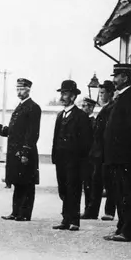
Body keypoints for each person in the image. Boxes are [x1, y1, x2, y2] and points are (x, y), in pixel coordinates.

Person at [104, 62, 131, 242]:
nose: (114, 80)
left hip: (124, 158)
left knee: (127, 194)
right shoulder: (121, 97)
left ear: (125, 78)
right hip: (116, 157)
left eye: (116, 76)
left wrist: (130, 156)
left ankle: (128, 230)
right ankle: (121, 227)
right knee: (119, 194)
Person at [0, 78, 42, 221]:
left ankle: (24, 214)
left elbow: (32, 133)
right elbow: (12, 131)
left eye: (22, 89)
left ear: (28, 89)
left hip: (26, 153)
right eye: (17, 89)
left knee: (26, 184)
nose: (19, 92)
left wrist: (25, 151)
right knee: (18, 182)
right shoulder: (19, 107)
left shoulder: (33, 107)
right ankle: (15, 212)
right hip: (15, 153)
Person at [51, 79, 92, 231]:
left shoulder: (81, 116)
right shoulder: (60, 115)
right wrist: (54, 157)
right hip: (61, 160)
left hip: (74, 161)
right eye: (61, 93)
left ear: (73, 97)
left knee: (73, 189)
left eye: (66, 94)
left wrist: (82, 161)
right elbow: (55, 138)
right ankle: (65, 219)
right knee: (63, 189)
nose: (62, 97)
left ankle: (74, 220)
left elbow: (87, 141)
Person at [82, 81, 116, 223]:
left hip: (107, 152)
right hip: (97, 153)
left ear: (110, 93)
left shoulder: (113, 108)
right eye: (99, 93)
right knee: (95, 182)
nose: (100, 96)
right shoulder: (105, 108)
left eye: (102, 93)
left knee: (109, 182)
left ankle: (109, 212)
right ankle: (91, 211)